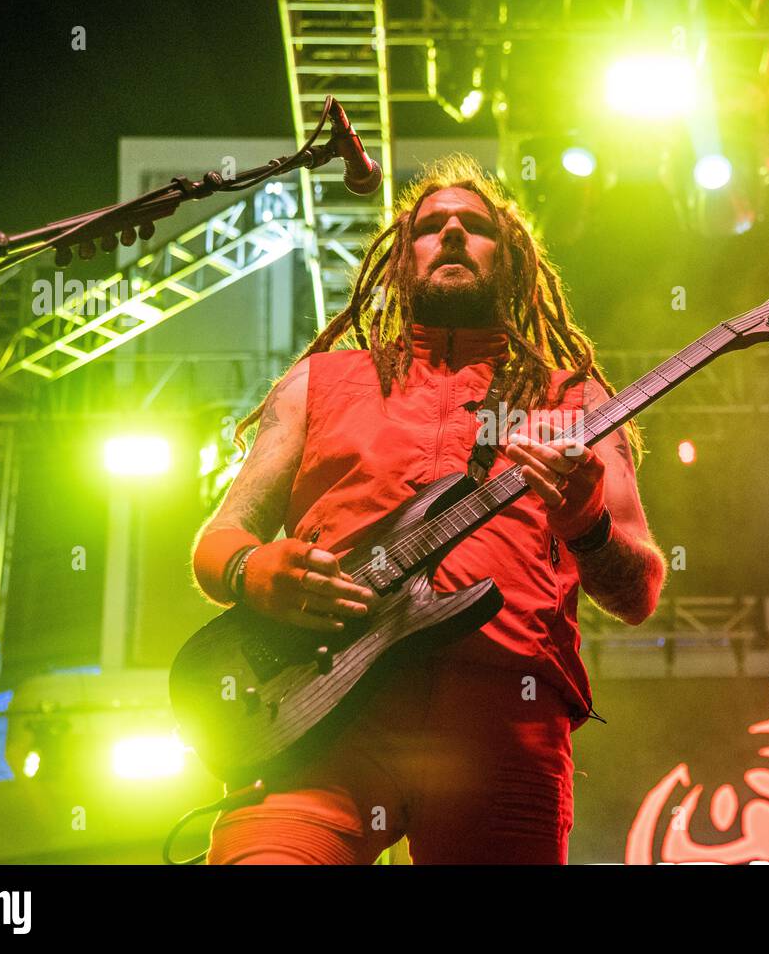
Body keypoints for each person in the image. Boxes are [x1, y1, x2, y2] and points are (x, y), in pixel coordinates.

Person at [191, 155, 666, 864]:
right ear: (398, 259)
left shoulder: (573, 399)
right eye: (428, 226)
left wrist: (588, 523)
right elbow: (221, 537)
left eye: (475, 226)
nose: (450, 234)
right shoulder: (318, 381)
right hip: (314, 711)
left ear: (510, 260)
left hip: (504, 718)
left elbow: (638, 593)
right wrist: (252, 571)